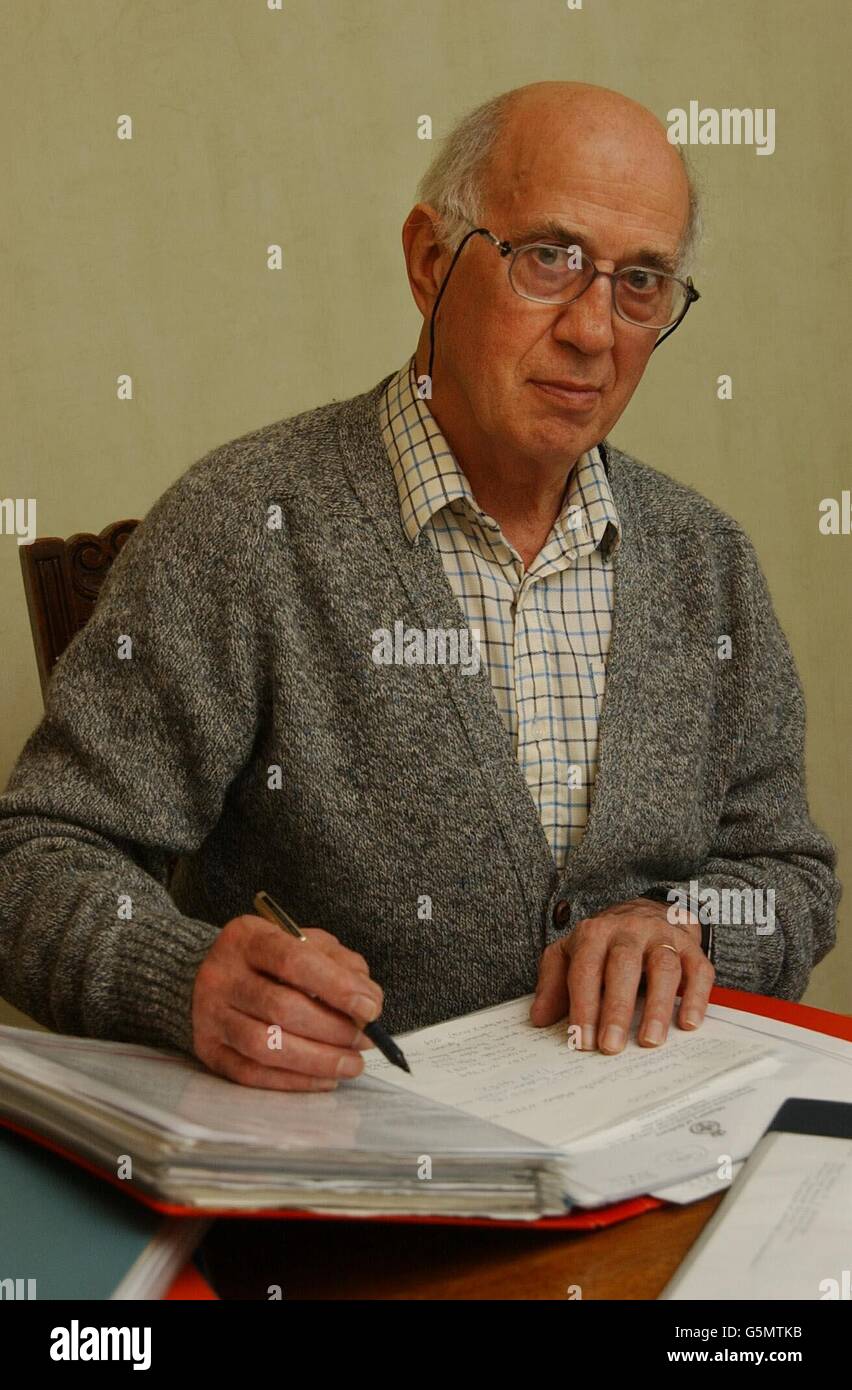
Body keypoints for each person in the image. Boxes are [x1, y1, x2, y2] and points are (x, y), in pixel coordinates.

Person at [0, 82, 839, 1091]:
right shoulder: (241, 524)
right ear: (431, 261)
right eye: (549, 259)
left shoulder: (709, 560)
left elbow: (790, 878)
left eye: (642, 282)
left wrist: (690, 928)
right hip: (356, 1195)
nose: (594, 329)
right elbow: (35, 859)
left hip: (654, 1165)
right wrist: (183, 978)